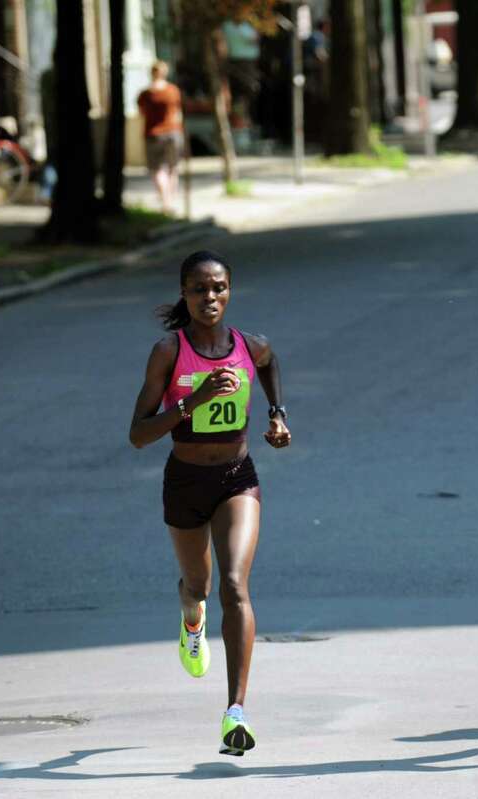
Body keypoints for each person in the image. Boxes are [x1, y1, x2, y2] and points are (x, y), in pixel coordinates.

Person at [129, 250, 292, 755]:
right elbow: (138, 434)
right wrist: (192, 401)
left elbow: (269, 362)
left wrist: (277, 413)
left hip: (237, 477)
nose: (210, 297)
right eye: (199, 289)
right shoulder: (168, 351)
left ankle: (235, 711)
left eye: (219, 287)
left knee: (235, 585)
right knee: (197, 585)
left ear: (230, 289)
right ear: (184, 293)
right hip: (185, 480)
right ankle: (191, 619)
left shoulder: (248, 344)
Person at [137, 60, 183, 215]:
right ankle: (170, 201)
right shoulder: (173, 90)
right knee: (172, 168)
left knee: (157, 170)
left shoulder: (145, 94)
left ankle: (165, 202)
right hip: (173, 132)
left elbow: (142, 112)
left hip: (153, 134)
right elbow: (177, 112)